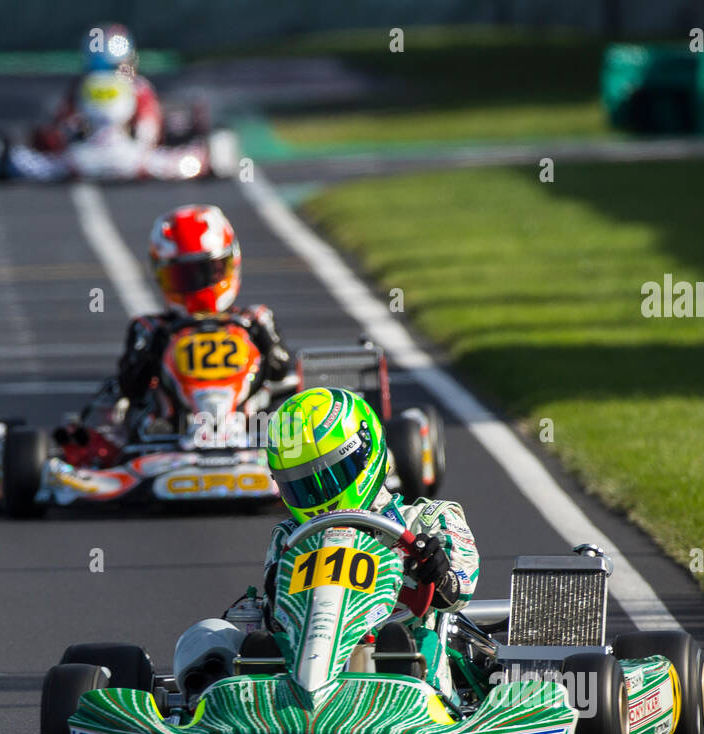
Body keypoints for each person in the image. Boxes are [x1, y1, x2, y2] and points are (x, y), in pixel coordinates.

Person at [172, 386, 477, 701]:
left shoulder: (428, 520)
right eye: (301, 486)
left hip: (397, 653)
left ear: (365, 452)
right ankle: (220, 707)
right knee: (209, 635)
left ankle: (430, 706)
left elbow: (461, 590)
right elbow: (277, 619)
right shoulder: (290, 536)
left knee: (418, 641)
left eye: (327, 478)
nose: (318, 497)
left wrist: (438, 575)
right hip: (305, 659)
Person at [56, 204, 291, 462]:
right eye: (183, 277)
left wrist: (264, 340)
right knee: (119, 399)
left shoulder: (254, 319)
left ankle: (277, 437)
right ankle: (106, 450)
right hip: (169, 431)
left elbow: (281, 370)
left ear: (231, 262)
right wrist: (152, 348)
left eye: (208, 271)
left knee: (296, 388)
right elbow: (131, 387)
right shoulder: (152, 328)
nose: (197, 286)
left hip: (252, 422)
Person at [31, 23, 163, 154]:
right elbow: (62, 126)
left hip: (131, 152)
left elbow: (149, 124)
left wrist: (141, 142)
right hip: (84, 153)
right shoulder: (80, 87)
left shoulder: (137, 87)